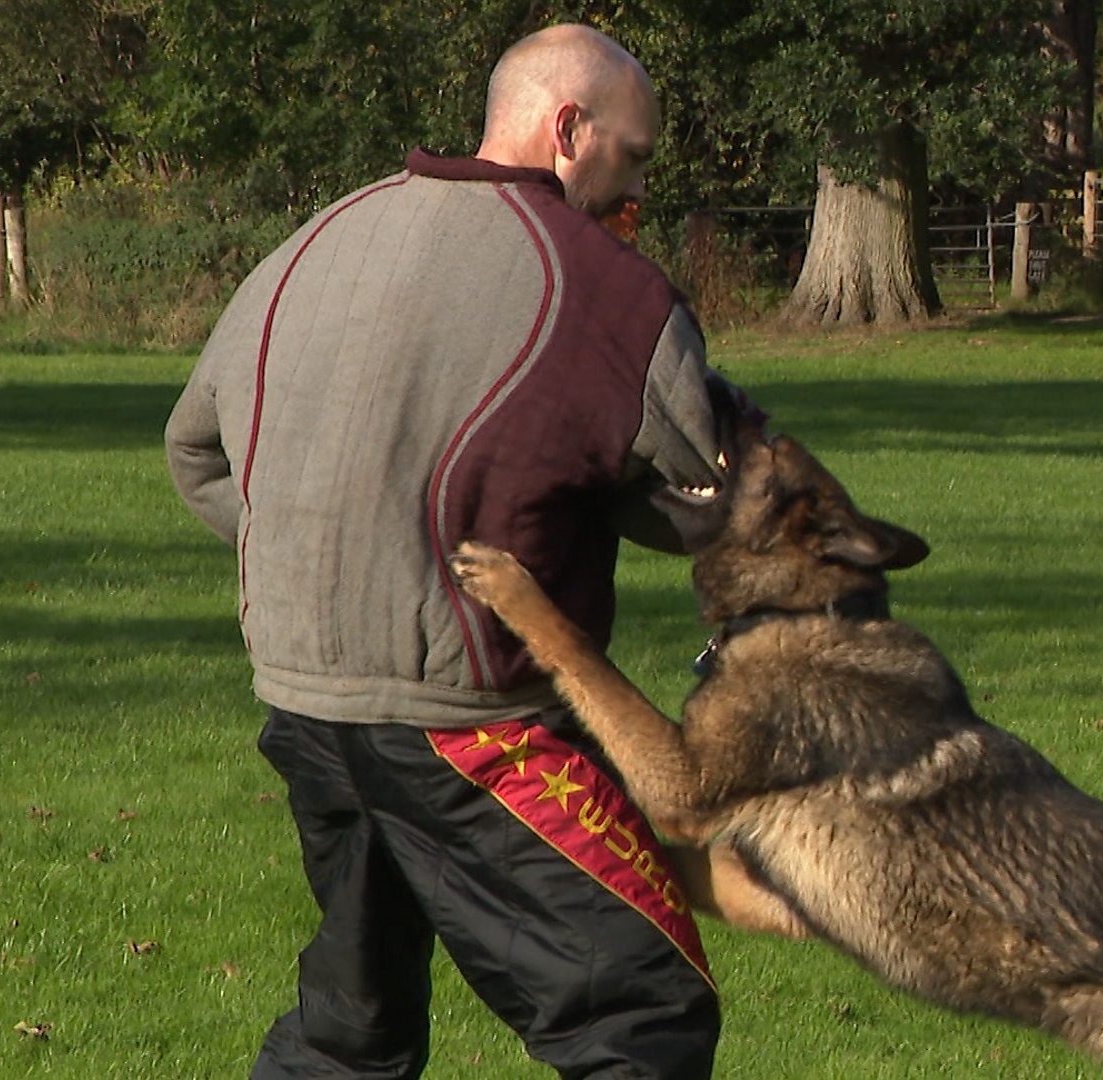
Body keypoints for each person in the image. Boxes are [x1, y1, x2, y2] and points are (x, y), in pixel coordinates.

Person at [166, 23, 749, 1080]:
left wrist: (326, 561)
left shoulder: (313, 240)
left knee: (351, 1033)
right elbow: (712, 494)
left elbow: (197, 450)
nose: (638, 193)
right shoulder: (610, 292)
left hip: (304, 706)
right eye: (635, 157)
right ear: (569, 131)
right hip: (470, 727)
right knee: (641, 1013)